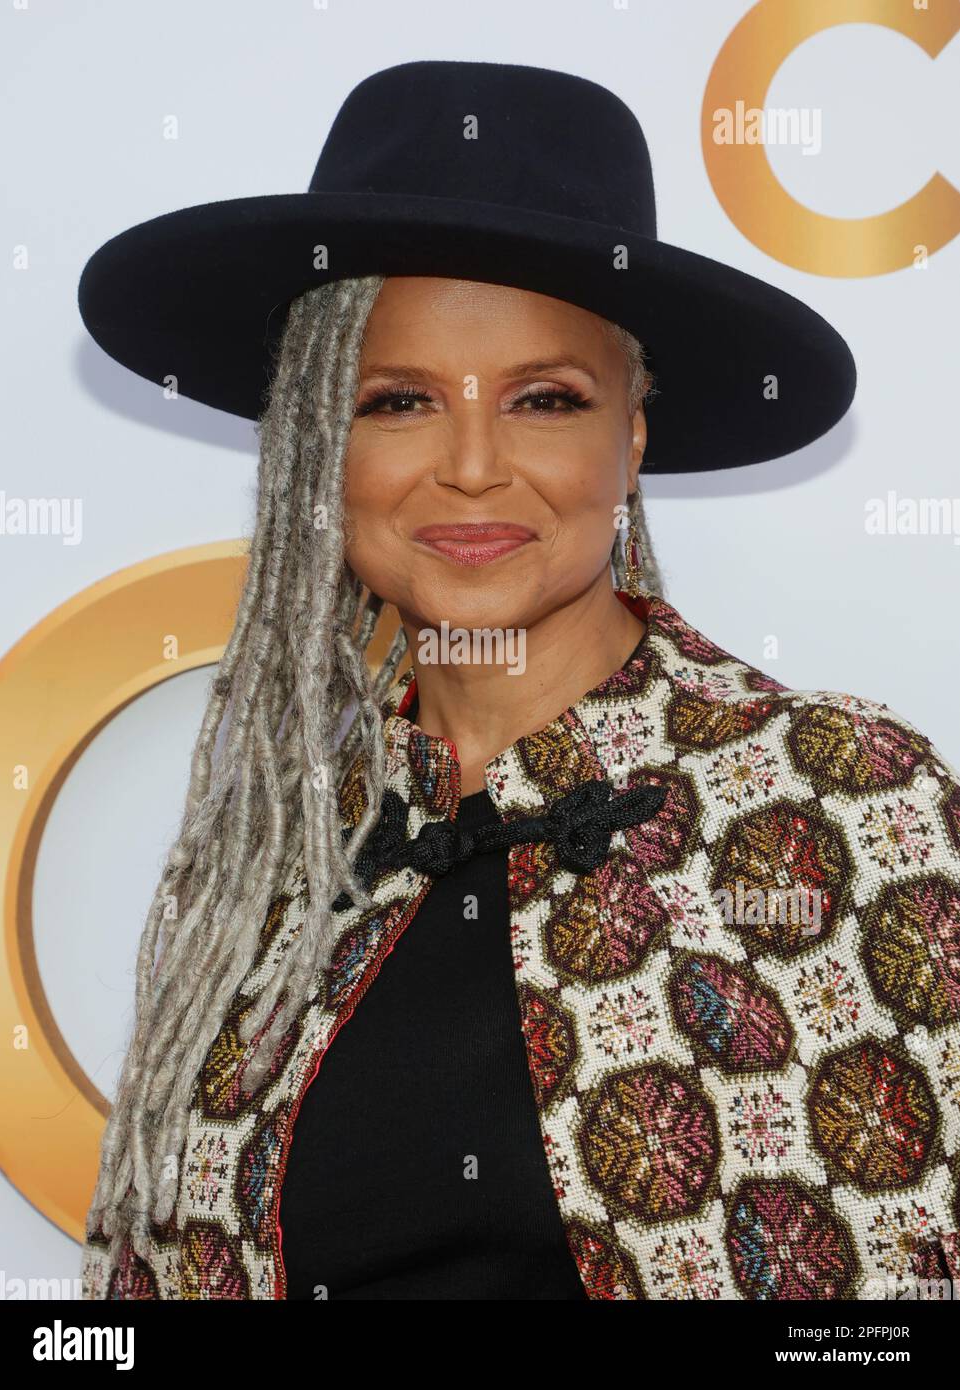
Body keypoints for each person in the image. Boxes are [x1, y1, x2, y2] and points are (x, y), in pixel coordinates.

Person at [77, 61, 960, 1300]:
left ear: (632, 432)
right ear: (320, 444)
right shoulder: (273, 860)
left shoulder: (849, 802)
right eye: (398, 401)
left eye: (546, 399)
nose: (475, 467)